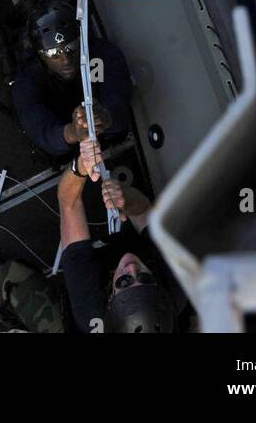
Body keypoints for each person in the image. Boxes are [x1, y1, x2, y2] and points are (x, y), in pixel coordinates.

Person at [57, 136, 176, 333]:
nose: (131, 268)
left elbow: (68, 203)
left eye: (125, 282)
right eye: (145, 279)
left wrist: (79, 168)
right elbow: (143, 210)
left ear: (111, 297)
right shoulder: (172, 290)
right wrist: (123, 198)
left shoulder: (91, 311)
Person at [11, 0, 132, 160]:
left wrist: (104, 117)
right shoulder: (27, 82)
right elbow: (42, 132)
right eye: (53, 54)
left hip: (104, 130)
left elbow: (120, 100)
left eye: (71, 48)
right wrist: (74, 132)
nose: (65, 60)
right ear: (40, 55)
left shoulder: (101, 56)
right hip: (66, 142)